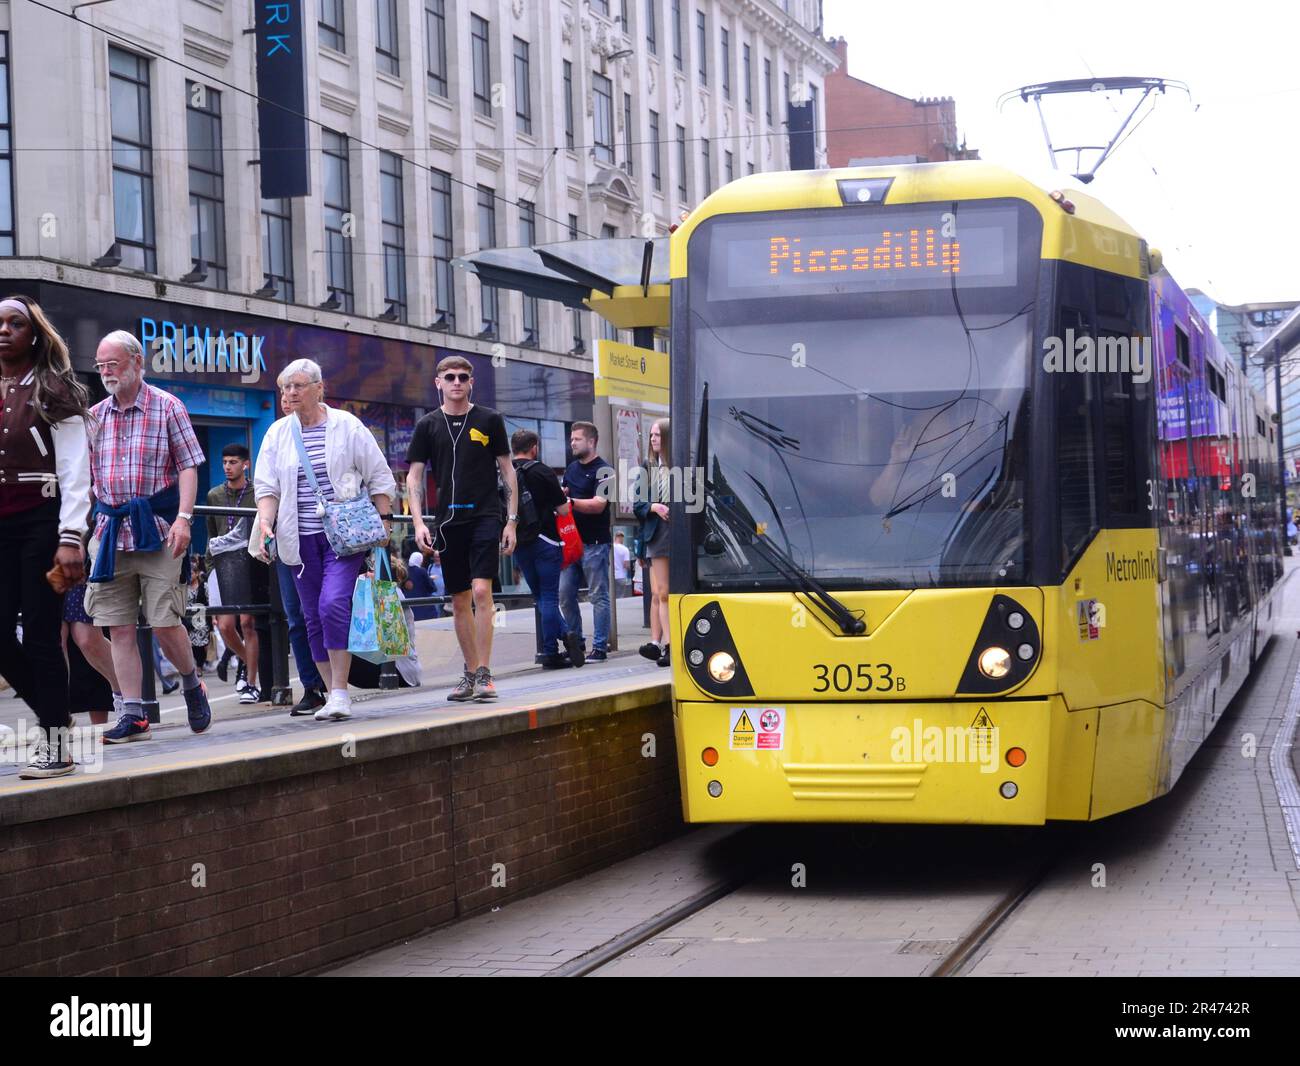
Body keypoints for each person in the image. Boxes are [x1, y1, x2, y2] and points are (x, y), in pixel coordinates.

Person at [85, 329, 213, 741]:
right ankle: (135, 713)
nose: (106, 372)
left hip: (158, 529)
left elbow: (189, 466)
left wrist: (184, 518)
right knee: (118, 626)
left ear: (138, 363)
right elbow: (86, 474)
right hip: (110, 532)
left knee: (163, 622)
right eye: (101, 365)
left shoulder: (167, 406)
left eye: (114, 364)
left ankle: (192, 684)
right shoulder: (95, 415)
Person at [252, 358, 396, 722]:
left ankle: (341, 691)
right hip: (296, 539)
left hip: (343, 538)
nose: (291, 393)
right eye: (286, 387)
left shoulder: (346, 426)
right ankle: (332, 693)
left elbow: (378, 475)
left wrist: (385, 522)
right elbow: (267, 487)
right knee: (311, 614)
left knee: (333, 604)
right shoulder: (278, 433)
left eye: (299, 386)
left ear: (320, 388)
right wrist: (266, 523)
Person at [0, 295, 93, 777]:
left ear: (33, 333)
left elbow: (76, 470)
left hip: (42, 521)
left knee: (40, 633)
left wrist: (71, 536)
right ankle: (57, 719)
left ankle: (56, 745)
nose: (4, 330)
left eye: (15, 323)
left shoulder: (56, 391)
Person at [405, 355, 517, 702]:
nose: (457, 382)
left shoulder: (490, 420)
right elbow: (414, 476)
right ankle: (470, 672)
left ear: (471, 383)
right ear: (438, 382)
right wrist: (419, 521)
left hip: (486, 515)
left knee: (482, 592)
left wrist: (511, 520)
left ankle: (484, 671)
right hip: (448, 521)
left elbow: (508, 471)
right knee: (459, 599)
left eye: (463, 377)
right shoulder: (427, 425)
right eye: (450, 377)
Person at [510, 428, 582, 670]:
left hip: (519, 541)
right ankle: (552, 649)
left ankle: (558, 642)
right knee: (549, 596)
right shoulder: (542, 471)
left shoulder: (503, 472)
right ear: (534, 448)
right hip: (546, 541)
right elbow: (563, 510)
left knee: (540, 596)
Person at [205, 442, 267, 704]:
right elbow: (212, 534)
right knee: (225, 625)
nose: (228, 467)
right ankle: (246, 661)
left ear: (246, 464)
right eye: (225, 462)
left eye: (233, 462)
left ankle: (252, 682)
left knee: (247, 623)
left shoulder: (257, 493)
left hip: (251, 564)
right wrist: (210, 569)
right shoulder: (214, 496)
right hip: (222, 566)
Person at [559, 421, 614, 661]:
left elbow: (598, 505)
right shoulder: (571, 469)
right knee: (564, 594)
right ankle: (577, 644)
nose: (572, 443)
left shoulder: (606, 472)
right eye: (571, 439)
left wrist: (571, 503)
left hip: (595, 543)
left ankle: (600, 647)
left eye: (577, 439)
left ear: (591, 442)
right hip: (571, 542)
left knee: (598, 595)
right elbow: (564, 494)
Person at [632, 418, 671, 668]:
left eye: (657, 435)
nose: (653, 439)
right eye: (651, 435)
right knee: (659, 592)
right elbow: (638, 505)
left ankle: (665, 643)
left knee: (663, 592)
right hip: (656, 534)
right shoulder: (647, 467)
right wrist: (653, 506)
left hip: (673, 532)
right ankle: (660, 643)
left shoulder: (679, 467)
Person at [405, 551, 440, 621]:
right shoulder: (422, 571)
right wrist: (430, 579)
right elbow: (432, 588)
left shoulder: (405, 571)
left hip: (410, 607)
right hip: (424, 608)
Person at [613, 532, 632, 598]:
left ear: (615, 537)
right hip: (621, 576)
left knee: (610, 596)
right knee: (620, 597)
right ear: (622, 538)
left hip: (610, 576)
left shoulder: (611, 547)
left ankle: (611, 608)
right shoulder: (625, 549)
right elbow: (626, 565)